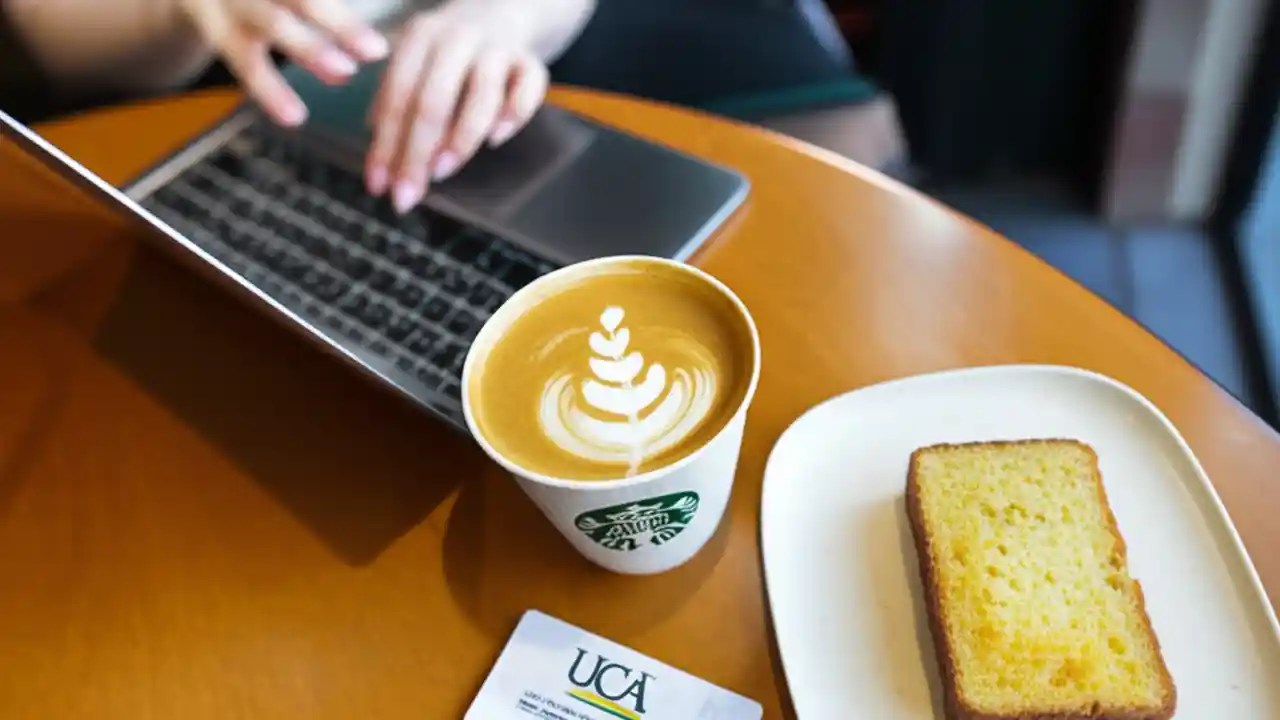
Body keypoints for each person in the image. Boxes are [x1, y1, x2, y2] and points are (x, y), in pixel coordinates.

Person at [0, 0, 596, 212]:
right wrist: (180, 9)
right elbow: (53, 46)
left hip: (488, 93)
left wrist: (509, 14)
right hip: (215, 107)